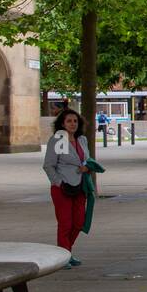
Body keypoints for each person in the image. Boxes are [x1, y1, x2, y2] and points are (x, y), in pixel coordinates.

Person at [44, 109, 92, 266]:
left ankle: (66, 251)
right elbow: (48, 165)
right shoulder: (58, 140)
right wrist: (58, 182)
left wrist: (87, 167)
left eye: (75, 121)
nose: (73, 124)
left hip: (80, 186)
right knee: (65, 223)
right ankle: (63, 256)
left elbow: (86, 159)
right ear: (62, 124)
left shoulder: (82, 139)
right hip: (62, 187)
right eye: (69, 121)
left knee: (79, 222)